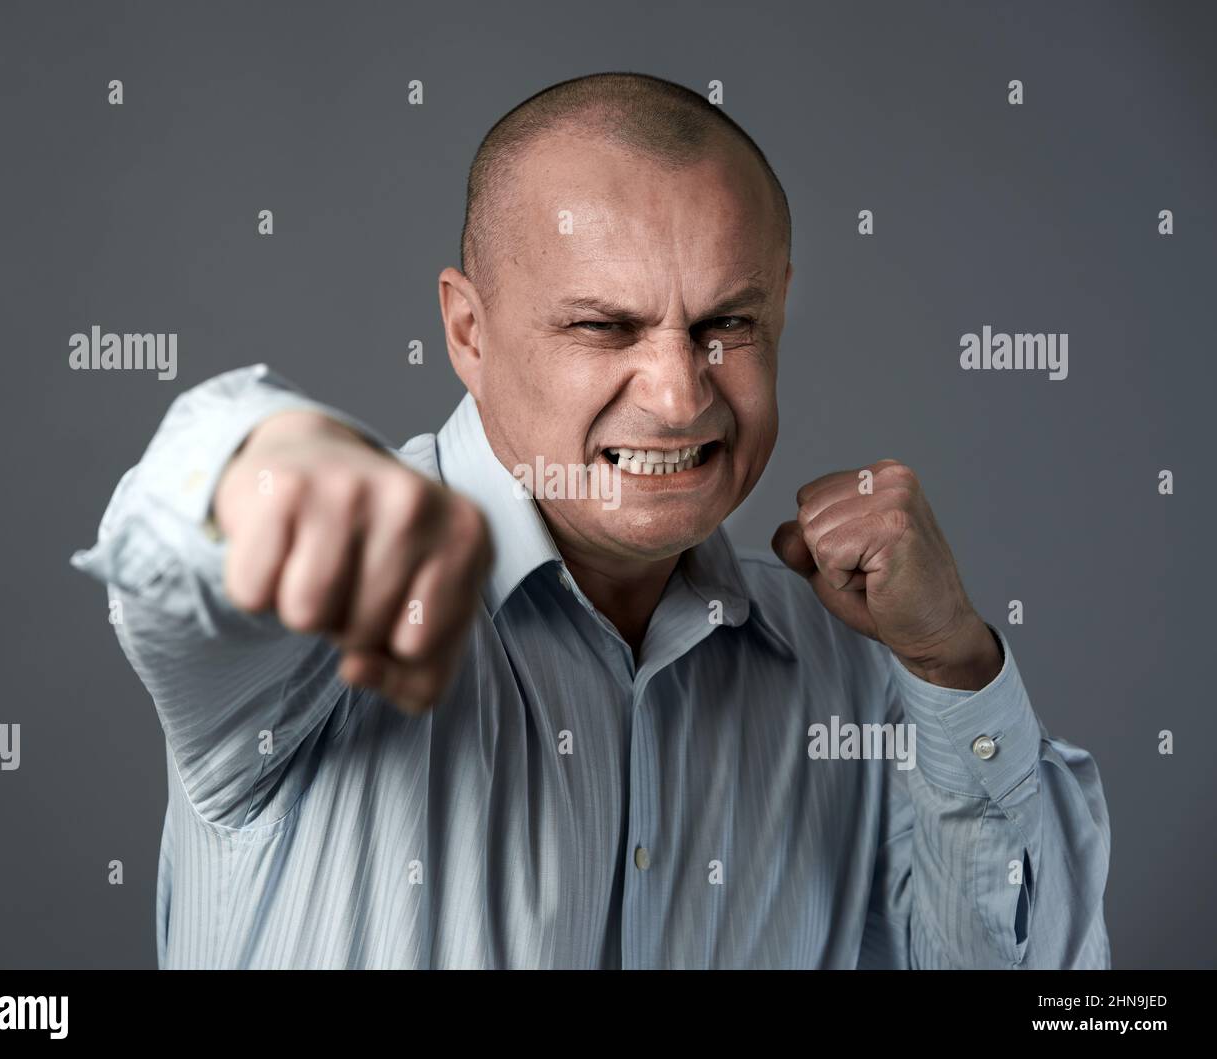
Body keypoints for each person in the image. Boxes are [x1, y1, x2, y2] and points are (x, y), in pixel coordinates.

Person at [71, 71, 1110, 968]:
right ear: (467, 332)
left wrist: (952, 672)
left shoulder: (856, 678)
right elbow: (174, 555)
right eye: (600, 326)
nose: (674, 393)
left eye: (724, 324)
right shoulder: (321, 629)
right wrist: (261, 464)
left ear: (781, 307)